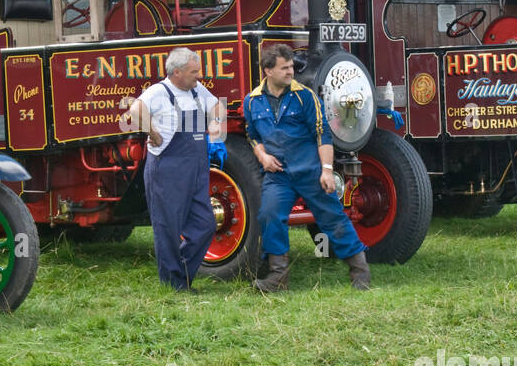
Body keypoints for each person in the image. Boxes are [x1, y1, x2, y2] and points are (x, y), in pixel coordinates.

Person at [244, 43, 370, 292]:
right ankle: (278, 277)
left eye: (291, 67)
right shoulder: (252, 101)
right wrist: (261, 156)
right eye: (284, 68)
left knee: (332, 217)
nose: (290, 72)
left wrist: (326, 170)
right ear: (268, 71)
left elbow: (323, 134)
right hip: (277, 174)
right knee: (269, 215)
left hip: (310, 171)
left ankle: (360, 271)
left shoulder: (305, 96)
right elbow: (252, 134)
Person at [123, 48, 224, 291]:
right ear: (176, 72)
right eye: (193, 72)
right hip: (167, 170)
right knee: (168, 228)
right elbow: (135, 110)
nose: (198, 77)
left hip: (196, 170)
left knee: (205, 225)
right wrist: (152, 132)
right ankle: (174, 285)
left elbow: (217, 107)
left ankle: (182, 273)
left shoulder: (197, 91)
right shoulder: (160, 91)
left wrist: (215, 122)